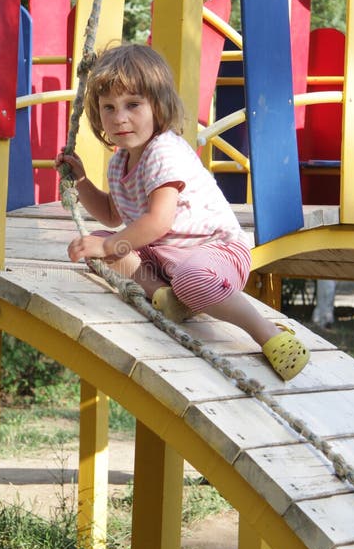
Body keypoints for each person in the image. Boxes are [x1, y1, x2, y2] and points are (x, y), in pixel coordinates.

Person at [56, 43, 309, 381]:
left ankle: (267, 334)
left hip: (214, 250)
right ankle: (165, 295)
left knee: (158, 266)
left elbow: (158, 221)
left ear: (158, 106)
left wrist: (109, 245)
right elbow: (112, 215)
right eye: (109, 108)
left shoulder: (164, 152)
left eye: (133, 105)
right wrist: (82, 181)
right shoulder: (120, 162)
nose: (120, 118)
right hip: (165, 256)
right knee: (99, 243)